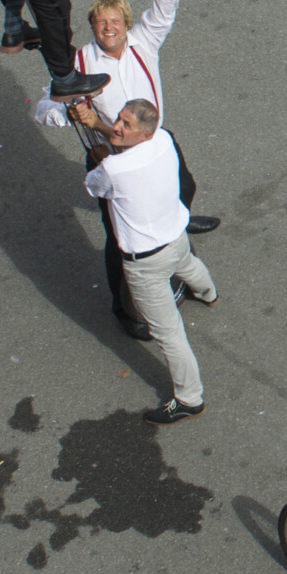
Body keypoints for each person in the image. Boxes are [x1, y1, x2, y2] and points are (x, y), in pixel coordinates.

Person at [35, 0, 218, 341]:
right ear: (92, 27)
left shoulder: (143, 41)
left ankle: (175, 230)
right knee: (121, 239)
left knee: (184, 188)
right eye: (101, 23)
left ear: (126, 24)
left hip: (155, 142)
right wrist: (64, 113)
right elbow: (44, 106)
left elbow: (164, 9)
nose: (109, 28)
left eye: (115, 21)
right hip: (112, 157)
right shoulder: (78, 63)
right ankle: (126, 311)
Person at [73, 96, 216, 425]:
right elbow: (130, 151)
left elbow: (94, 187)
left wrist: (99, 160)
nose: (117, 127)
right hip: (176, 239)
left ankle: (190, 399)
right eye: (119, 119)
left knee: (170, 335)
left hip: (145, 263)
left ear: (145, 133)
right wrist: (102, 131)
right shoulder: (163, 139)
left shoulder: (112, 169)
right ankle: (209, 294)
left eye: (126, 124)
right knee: (189, 267)